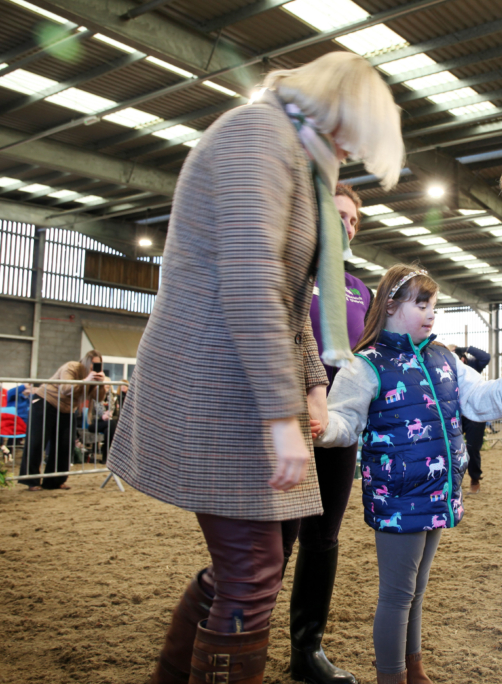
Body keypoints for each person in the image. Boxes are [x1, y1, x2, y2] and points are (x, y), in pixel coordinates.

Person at [107, 51, 403, 684]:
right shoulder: (257, 134)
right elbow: (250, 280)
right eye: (354, 137)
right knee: (252, 567)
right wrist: (279, 416)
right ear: (339, 109)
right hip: (212, 379)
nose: (350, 153)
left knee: (243, 565)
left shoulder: (296, 155)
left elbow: (291, 300)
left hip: (237, 379)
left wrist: (315, 389)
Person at [315, 265, 502, 684]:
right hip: (398, 495)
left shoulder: (444, 358)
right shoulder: (366, 365)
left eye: (434, 305)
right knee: (396, 595)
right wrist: (321, 427)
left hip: (438, 492)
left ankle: (414, 670)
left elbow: (481, 401)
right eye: (422, 304)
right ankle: (390, 677)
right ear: (391, 305)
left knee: (416, 591)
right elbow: (344, 421)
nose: (432, 313)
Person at [291, 183, 372, 684]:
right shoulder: (292, 273)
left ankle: (307, 649)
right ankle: (242, 642)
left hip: (339, 423)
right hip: (290, 415)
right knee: (273, 541)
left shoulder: (359, 287)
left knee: (323, 537)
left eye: (354, 220)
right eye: (339, 214)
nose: (347, 224)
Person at [20, 351, 105, 491]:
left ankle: (56, 480)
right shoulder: (71, 367)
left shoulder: (94, 378)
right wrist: (86, 380)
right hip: (46, 402)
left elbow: (99, 398)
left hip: (67, 409)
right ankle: (31, 480)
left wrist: (100, 384)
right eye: (92, 363)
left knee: (65, 445)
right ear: (86, 362)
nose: (93, 367)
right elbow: (65, 388)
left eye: (97, 364)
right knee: (36, 441)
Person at [447, 344, 490, 493]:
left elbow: (486, 357)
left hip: (475, 415)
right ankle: (450, 482)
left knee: (472, 449)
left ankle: (475, 478)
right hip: (454, 414)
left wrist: (465, 348)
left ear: (463, 358)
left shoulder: (472, 367)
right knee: (449, 448)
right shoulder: (445, 370)